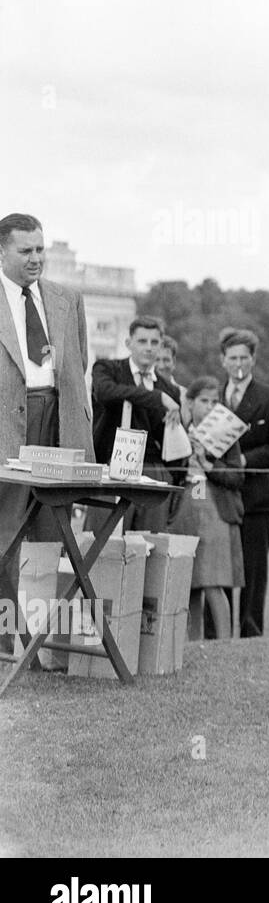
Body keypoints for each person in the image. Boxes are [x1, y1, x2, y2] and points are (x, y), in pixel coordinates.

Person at [0, 213, 95, 652]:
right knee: (4, 537)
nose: (36, 259)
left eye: (40, 249)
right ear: (3, 251)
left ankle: (44, 644)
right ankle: (5, 641)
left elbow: (79, 365)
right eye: (26, 251)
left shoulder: (66, 299)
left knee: (50, 537)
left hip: (57, 425)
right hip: (8, 427)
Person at [218, 327, 269, 638]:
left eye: (244, 358)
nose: (238, 363)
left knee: (253, 570)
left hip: (256, 497)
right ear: (223, 360)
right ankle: (217, 633)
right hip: (219, 495)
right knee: (219, 567)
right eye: (232, 357)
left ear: (253, 361)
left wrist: (247, 460)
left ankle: (250, 632)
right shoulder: (213, 396)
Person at [90, 315, 187, 532]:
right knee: (101, 542)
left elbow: (170, 441)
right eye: (142, 341)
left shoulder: (168, 389)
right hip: (109, 466)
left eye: (154, 342)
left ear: (161, 345)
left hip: (152, 470)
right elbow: (105, 392)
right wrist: (156, 398)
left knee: (148, 544)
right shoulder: (108, 369)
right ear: (129, 343)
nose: (149, 348)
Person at [169, 377, 244, 639]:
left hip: (214, 505)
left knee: (213, 579)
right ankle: (191, 641)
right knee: (191, 580)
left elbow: (237, 477)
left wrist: (208, 462)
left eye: (215, 402)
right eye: (204, 401)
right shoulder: (178, 429)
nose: (210, 407)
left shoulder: (227, 434)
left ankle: (224, 642)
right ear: (190, 402)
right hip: (186, 503)